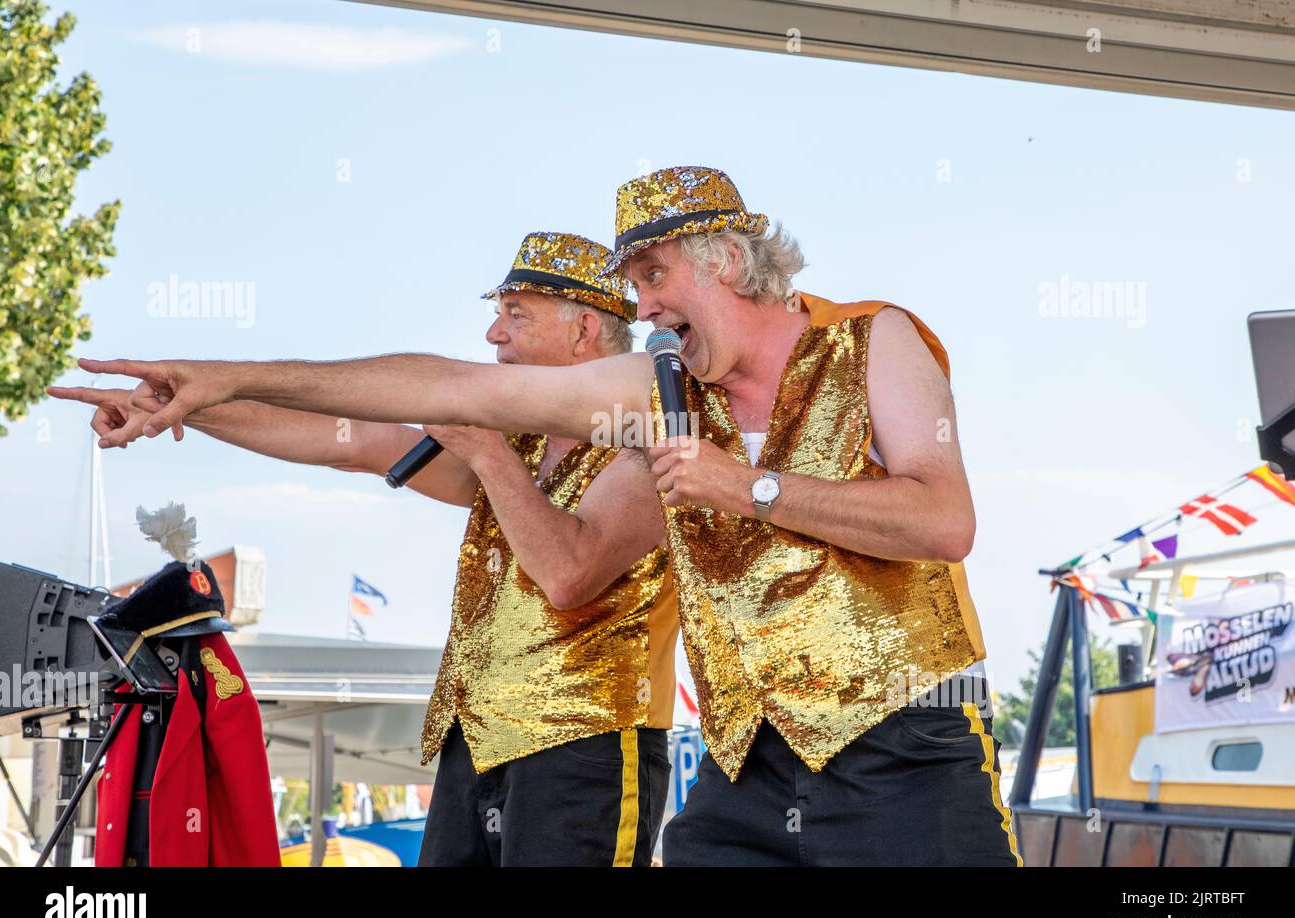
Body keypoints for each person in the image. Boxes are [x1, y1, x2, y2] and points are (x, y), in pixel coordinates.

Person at [64, 167, 1022, 866]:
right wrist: (210, 387)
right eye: (632, 284)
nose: (642, 307)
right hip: (746, 763)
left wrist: (750, 488)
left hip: (904, 746)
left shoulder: (872, 339)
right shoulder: (658, 391)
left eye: (651, 277)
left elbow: (945, 521)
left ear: (728, 259)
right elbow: (417, 399)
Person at [52, 232, 678, 867]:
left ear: (585, 333)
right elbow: (349, 441)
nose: (494, 335)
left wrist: (483, 445)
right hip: (478, 741)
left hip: (591, 744)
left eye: (516, 316)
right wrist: (187, 404)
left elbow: (568, 574)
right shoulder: (514, 448)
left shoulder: (649, 435)